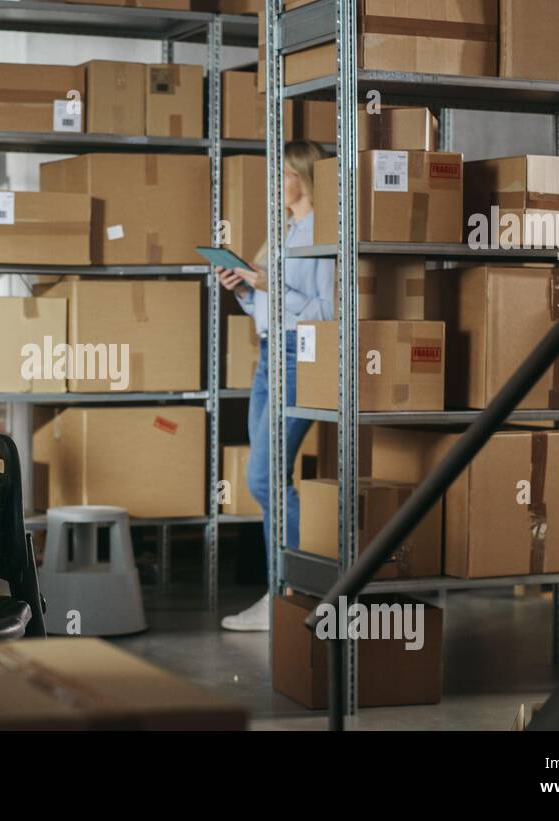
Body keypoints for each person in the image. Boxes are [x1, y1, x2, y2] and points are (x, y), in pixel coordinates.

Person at [217, 140, 333, 631]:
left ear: (305, 176)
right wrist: (244, 288)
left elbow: (327, 311)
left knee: (263, 478)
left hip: (300, 355)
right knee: (269, 480)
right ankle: (285, 592)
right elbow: (267, 301)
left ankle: (300, 590)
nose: (276, 182)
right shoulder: (281, 231)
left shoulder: (325, 231)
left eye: (283, 173)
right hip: (269, 356)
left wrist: (267, 284)